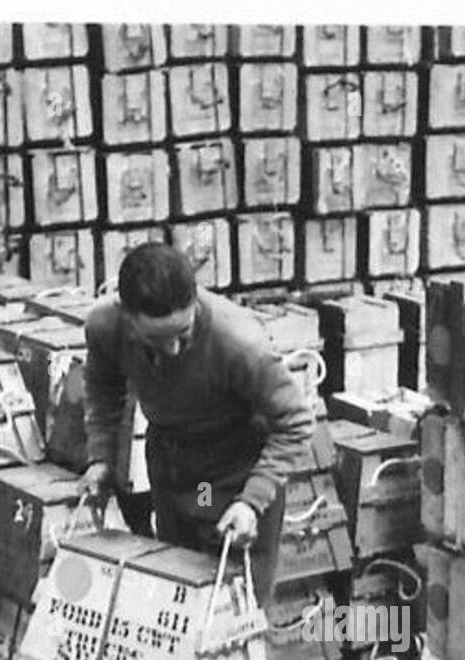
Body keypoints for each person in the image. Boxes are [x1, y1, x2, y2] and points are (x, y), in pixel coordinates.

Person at [80, 242, 314, 604]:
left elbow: (295, 421)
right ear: (127, 317)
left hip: (227, 474)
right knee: (179, 591)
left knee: (233, 607)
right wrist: (101, 456)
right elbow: (102, 386)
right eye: (157, 339)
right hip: (175, 468)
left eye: (183, 334)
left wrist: (251, 501)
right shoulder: (104, 325)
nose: (173, 350)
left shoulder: (239, 342)